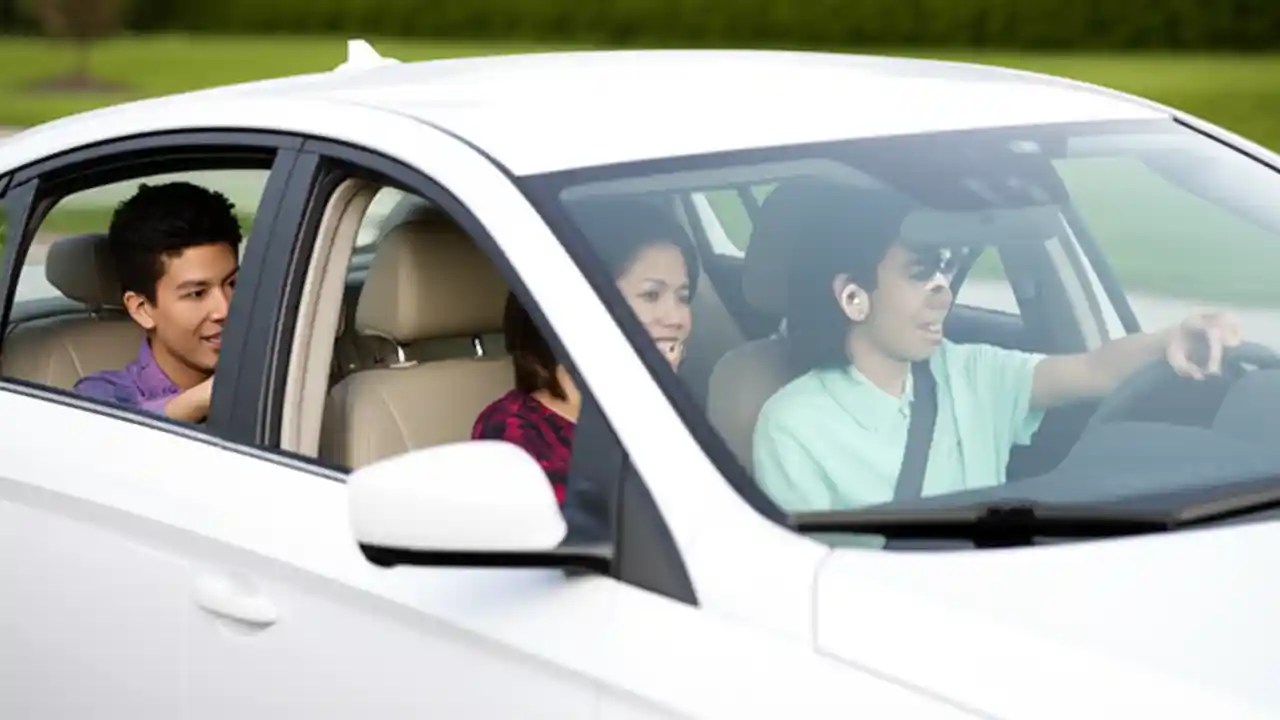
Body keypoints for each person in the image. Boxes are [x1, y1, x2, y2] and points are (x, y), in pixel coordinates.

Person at [752, 181, 1242, 512]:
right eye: (920, 272)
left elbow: (1094, 369)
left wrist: (1169, 340)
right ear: (852, 295)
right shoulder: (793, 426)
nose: (943, 289)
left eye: (944, 270)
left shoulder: (970, 371)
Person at [474, 199, 698, 509]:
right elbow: (594, 539)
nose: (676, 318)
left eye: (683, 297)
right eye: (650, 295)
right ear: (582, 302)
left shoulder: (674, 406)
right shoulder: (512, 434)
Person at [73, 182, 242, 423]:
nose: (224, 309)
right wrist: (204, 398)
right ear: (142, 309)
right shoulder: (102, 397)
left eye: (233, 284)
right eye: (197, 293)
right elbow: (98, 444)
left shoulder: (280, 363)